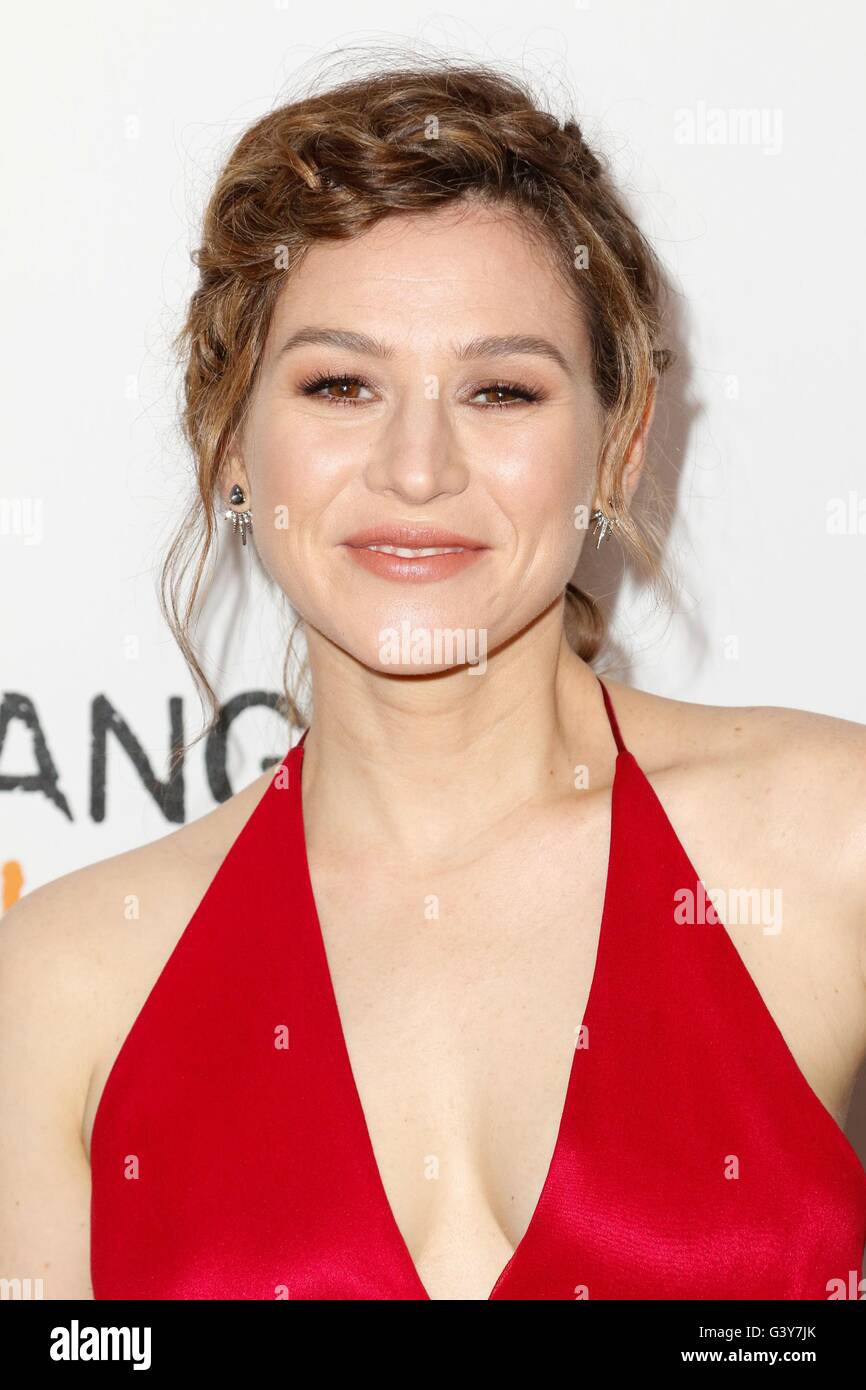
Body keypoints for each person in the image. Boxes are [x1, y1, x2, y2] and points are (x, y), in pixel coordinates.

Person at [2, 58, 865, 1302]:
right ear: (226, 441)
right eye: (340, 384)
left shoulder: (828, 845)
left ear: (615, 449)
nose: (417, 468)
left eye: (499, 389)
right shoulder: (64, 984)